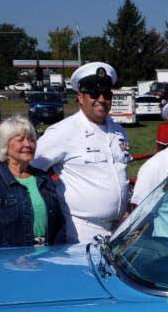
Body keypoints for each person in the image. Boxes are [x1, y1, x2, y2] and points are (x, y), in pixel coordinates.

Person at [32, 61, 130, 242]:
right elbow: (31, 167)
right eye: (93, 93)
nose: (101, 99)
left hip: (117, 228)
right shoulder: (63, 131)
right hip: (81, 230)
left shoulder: (119, 132)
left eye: (106, 94)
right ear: (80, 97)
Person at [0, 116, 65, 247]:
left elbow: (60, 224)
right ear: (4, 145)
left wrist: (56, 253)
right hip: (10, 263)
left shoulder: (44, 179)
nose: (27, 144)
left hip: (48, 260)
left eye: (31, 139)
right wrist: (13, 258)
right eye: (20, 140)